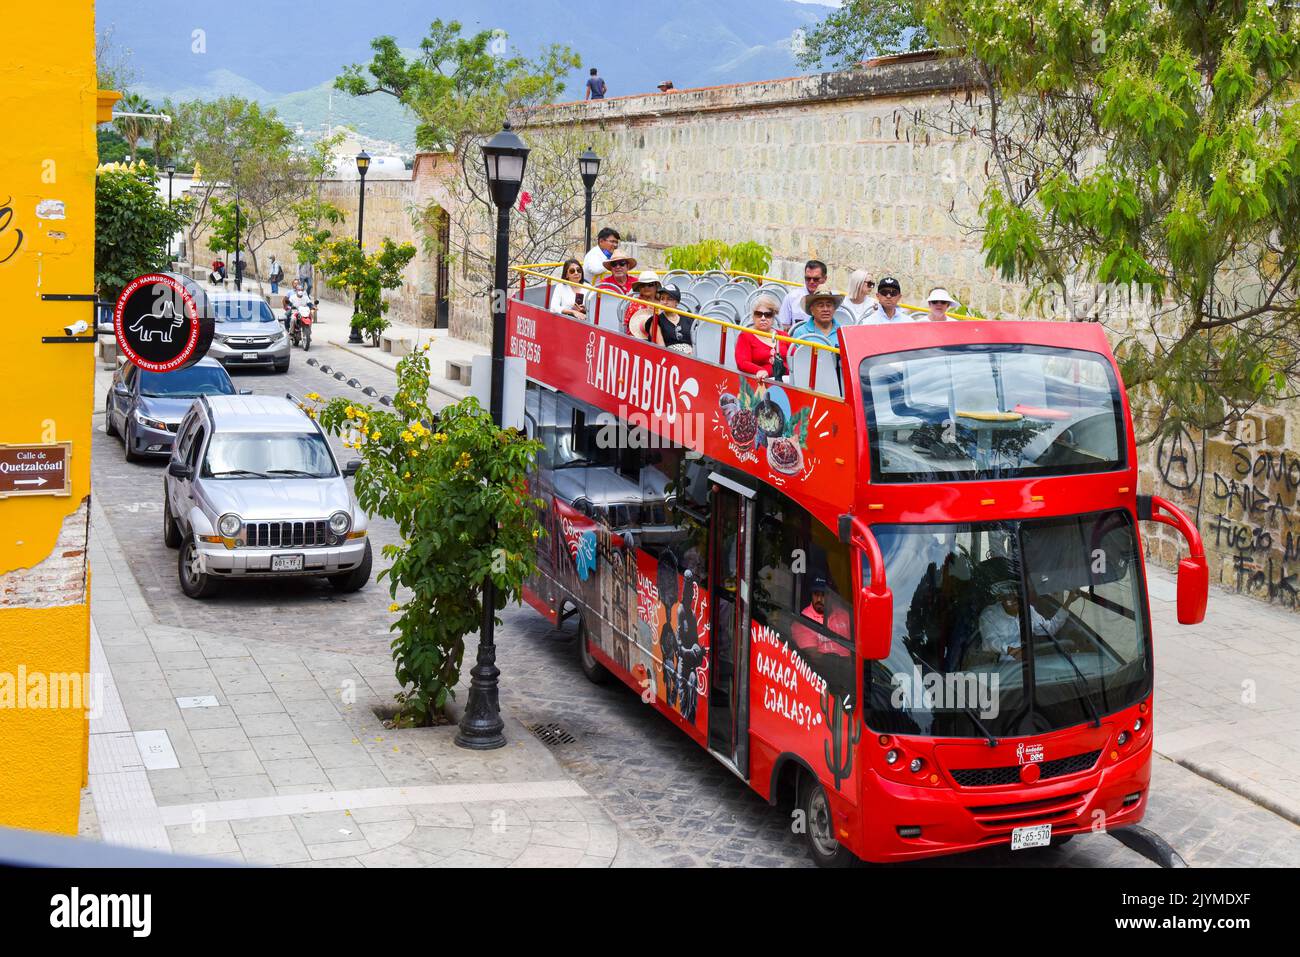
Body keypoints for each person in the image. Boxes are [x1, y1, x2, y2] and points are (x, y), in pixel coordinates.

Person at [978, 582, 1080, 662]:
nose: (1015, 600)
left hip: (1030, 665)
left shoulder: (1028, 610)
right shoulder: (989, 614)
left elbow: (1050, 629)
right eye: (1009, 596)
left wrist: (1068, 601)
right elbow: (989, 642)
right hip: (1005, 669)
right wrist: (1011, 651)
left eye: (1017, 596)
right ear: (1001, 598)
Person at [792, 577, 852, 659]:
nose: (819, 599)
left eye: (823, 595)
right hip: (823, 669)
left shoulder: (844, 615)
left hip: (850, 669)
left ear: (831, 596)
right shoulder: (804, 620)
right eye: (816, 594)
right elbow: (814, 657)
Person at [783, 286, 844, 362]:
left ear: (834, 309)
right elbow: (796, 363)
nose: (825, 309)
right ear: (812, 310)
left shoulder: (843, 332)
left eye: (829, 305)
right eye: (820, 306)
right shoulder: (800, 333)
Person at [735, 293, 781, 380]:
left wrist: (769, 370)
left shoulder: (783, 336)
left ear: (773, 317)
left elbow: (793, 361)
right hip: (758, 382)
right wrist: (761, 371)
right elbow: (742, 363)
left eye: (768, 315)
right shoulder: (745, 336)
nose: (763, 318)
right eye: (759, 314)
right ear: (753, 316)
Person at [776, 259, 828, 333]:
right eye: (808, 278)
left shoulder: (833, 299)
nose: (811, 282)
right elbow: (783, 325)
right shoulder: (792, 297)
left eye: (816, 279)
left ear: (825, 278)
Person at [656, 286, 694, 353]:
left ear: (677, 302)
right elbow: (661, 349)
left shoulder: (688, 319)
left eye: (669, 299)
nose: (665, 302)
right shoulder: (656, 320)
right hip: (670, 358)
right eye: (662, 299)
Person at [625, 270, 662, 340]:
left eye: (650, 284)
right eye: (643, 285)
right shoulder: (634, 304)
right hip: (638, 339)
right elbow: (629, 328)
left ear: (656, 286)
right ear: (639, 288)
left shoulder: (663, 303)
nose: (646, 287)